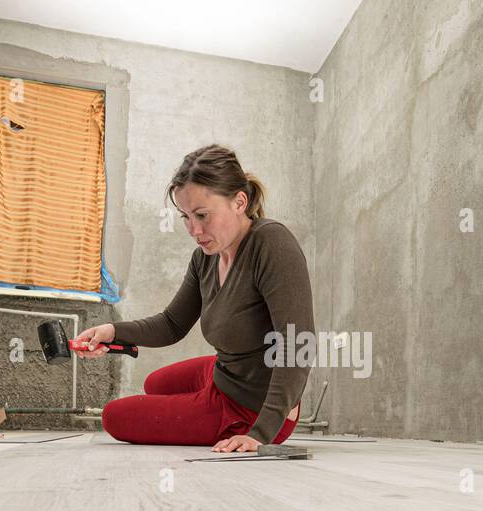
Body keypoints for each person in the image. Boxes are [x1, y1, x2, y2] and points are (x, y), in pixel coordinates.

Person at [79, 145, 314, 453]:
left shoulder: (271, 244)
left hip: (252, 407)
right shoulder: (205, 257)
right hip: (227, 372)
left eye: (203, 215)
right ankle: (211, 393)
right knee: (155, 383)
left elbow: (298, 342)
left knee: (114, 417)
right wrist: (111, 332)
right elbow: (171, 324)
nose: (194, 229)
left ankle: (264, 416)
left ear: (239, 202)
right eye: (185, 217)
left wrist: (261, 433)